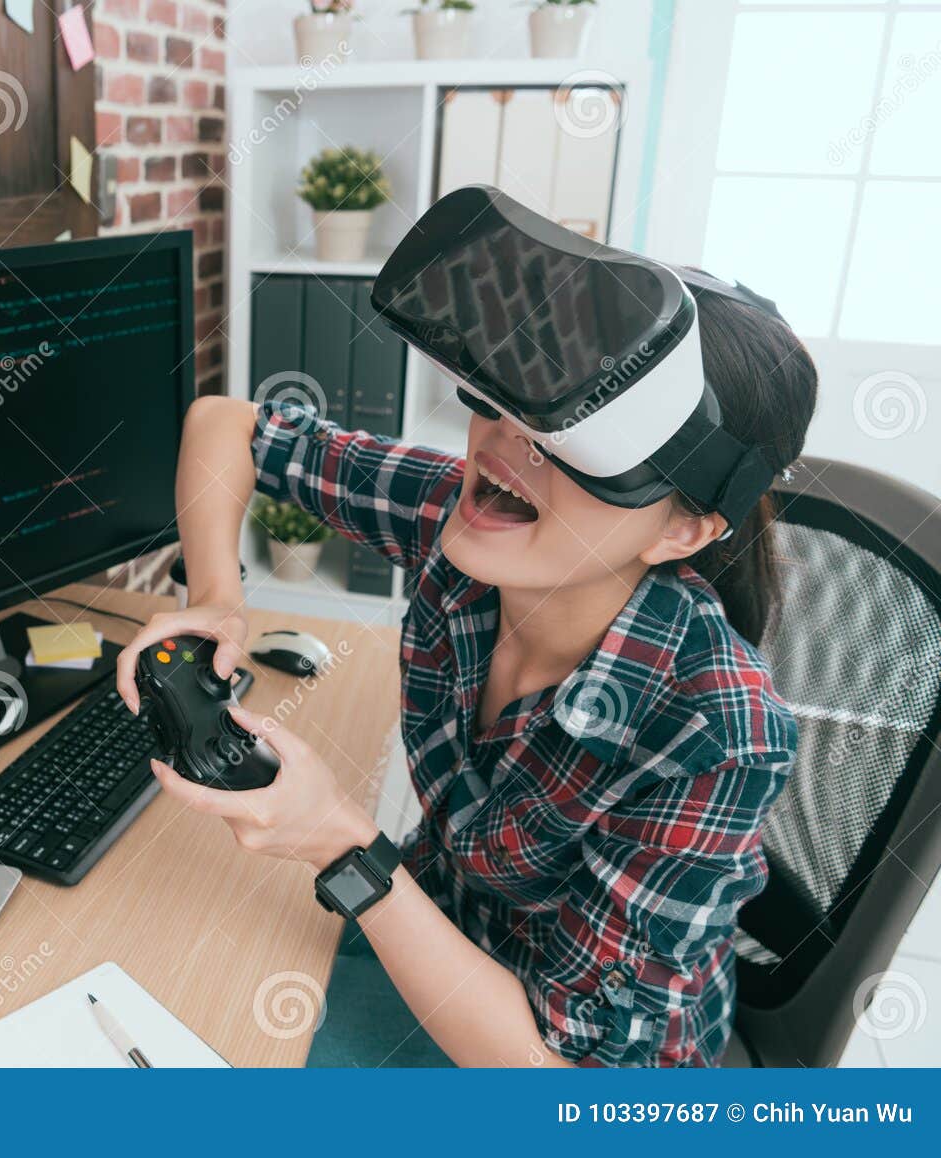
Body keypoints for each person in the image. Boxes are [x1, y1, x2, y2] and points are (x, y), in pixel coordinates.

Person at [115, 203, 819, 1067]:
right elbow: (225, 424)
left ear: (681, 530)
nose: (509, 442)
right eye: (521, 395)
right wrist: (219, 599)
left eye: (581, 441)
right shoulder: (465, 518)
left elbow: (558, 1079)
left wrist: (338, 840)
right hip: (433, 927)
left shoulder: (718, 733)